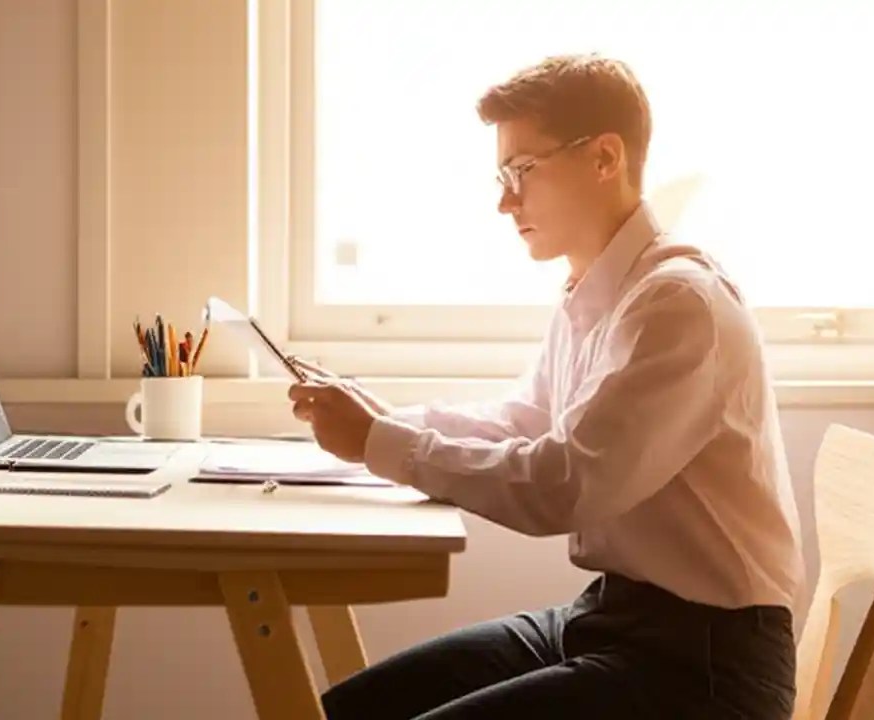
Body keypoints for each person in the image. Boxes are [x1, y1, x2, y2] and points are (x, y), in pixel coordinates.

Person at [287, 53, 804, 720]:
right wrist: (386, 424)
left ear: (605, 157)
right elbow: (526, 421)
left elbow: (566, 483)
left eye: (521, 172)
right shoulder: (601, 291)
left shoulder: (677, 305)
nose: (504, 201)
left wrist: (382, 444)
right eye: (503, 176)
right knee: (335, 711)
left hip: (705, 666)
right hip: (611, 618)